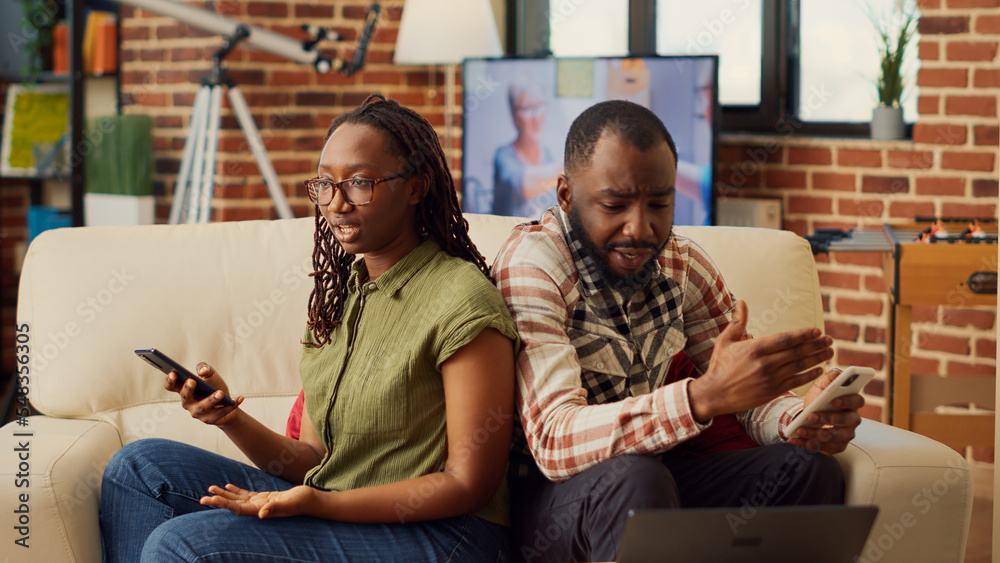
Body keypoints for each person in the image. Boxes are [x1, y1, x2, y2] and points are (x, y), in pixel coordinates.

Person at [99, 94, 518, 562]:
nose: (335, 203)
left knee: (182, 545)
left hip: (446, 536)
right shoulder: (343, 300)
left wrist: (321, 504)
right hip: (340, 501)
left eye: (359, 183)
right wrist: (230, 417)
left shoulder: (461, 299)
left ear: (416, 188)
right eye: (324, 184)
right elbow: (313, 462)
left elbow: (469, 484)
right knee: (138, 469)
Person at [491, 99, 864, 563]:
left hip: (654, 485)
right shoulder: (534, 266)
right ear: (566, 195)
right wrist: (700, 398)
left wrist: (801, 419)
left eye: (659, 204)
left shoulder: (682, 264)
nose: (640, 228)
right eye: (615, 205)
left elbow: (747, 399)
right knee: (637, 478)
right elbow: (553, 438)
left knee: (806, 469)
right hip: (549, 506)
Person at [491, 73, 561, 217]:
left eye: (539, 105)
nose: (536, 116)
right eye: (528, 108)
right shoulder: (503, 155)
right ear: (514, 116)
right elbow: (520, 186)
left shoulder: (547, 154)